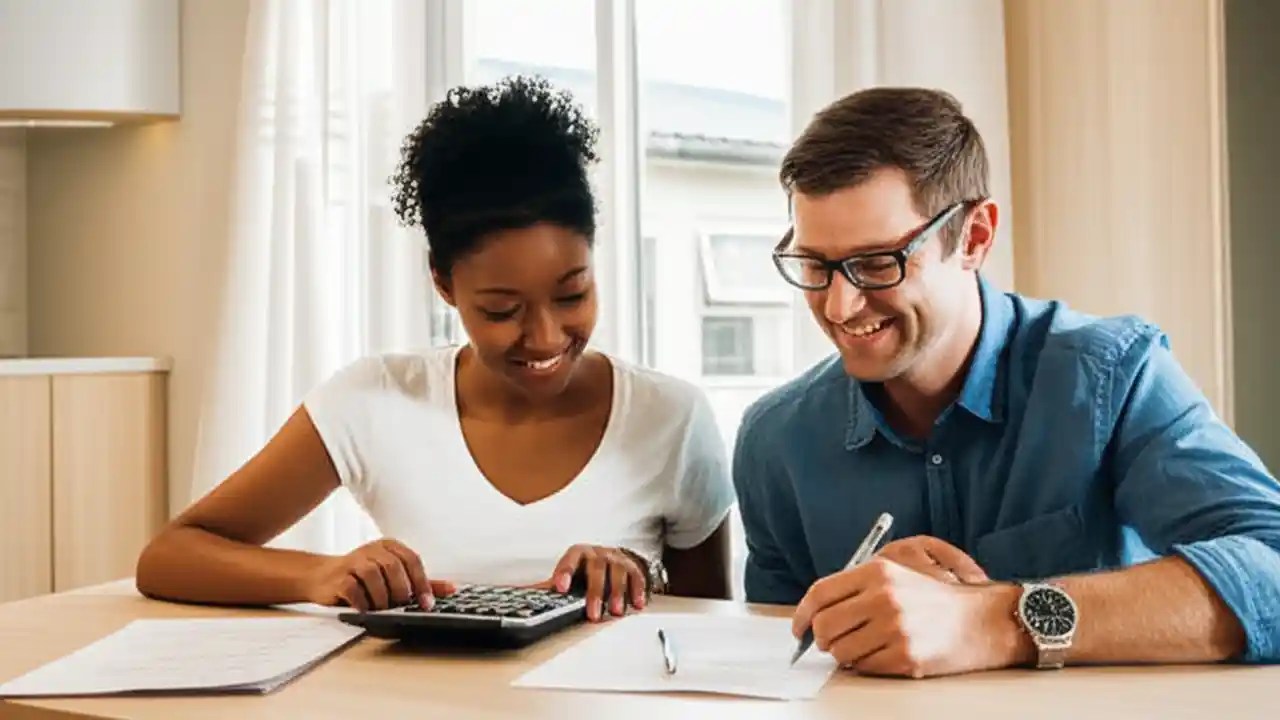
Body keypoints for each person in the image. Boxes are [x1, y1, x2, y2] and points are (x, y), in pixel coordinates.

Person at [136, 76, 735, 621]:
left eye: (572, 295)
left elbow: (713, 638)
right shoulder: (374, 401)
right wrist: (320, 573)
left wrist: (638, 583)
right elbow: (170, 555)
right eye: (503, 310)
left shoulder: (671, 418)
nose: (547, 337)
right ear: (444, 283)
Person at [734, 86, 1280, 677]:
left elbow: (1271, 566)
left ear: (974, 237)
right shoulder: (774, 441)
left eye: (876, 264)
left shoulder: (1111, 376)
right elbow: (786, 669)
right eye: (816, 266)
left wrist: (995, 619)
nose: (840, 305)